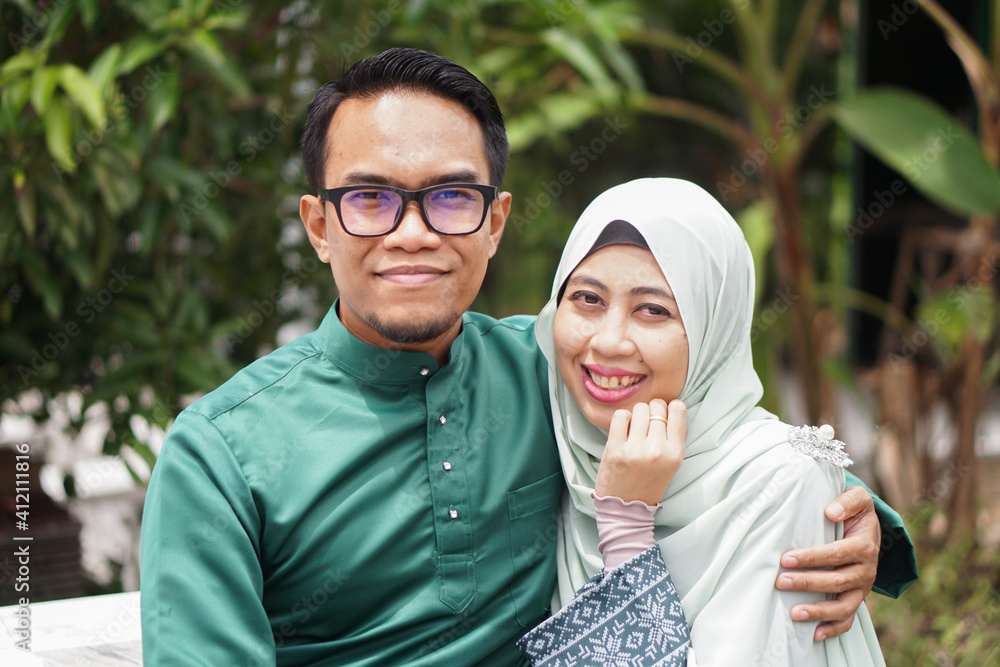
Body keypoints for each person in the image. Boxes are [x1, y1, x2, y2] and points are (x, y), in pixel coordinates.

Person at [140, 48, 914, 665]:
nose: (413, 233)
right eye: (370, 199)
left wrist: (846, 511)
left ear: (495, 221)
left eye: (451, 197)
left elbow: (723, 438)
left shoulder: (552, 370)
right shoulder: (221, 455)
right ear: (319, 225)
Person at [518, 178, 905, 665]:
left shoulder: (781, 484)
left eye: (653, 309)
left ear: (714, 327)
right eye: (587, 299)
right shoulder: (553, 420)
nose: (609, 341)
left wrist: (624, 528)